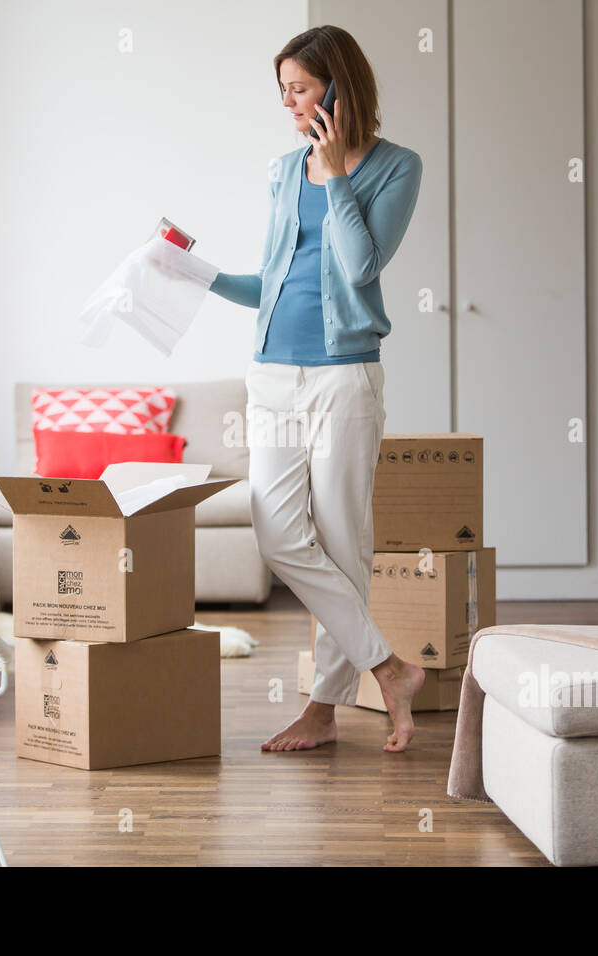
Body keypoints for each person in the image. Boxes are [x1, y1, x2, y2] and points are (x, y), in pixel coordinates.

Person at [208, 26, 426, 753]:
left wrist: (334, 175)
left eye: (300, 89)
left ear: (338, 87)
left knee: (341, 541)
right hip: (271, 374)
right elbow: (271, 279)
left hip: (343, 376)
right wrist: (198, 273)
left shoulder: (397, 167)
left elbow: (361, 266)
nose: (289, 103)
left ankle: (323, 710)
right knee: (280, 533)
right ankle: (389, 666)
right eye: (283, 91)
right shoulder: (281, 168)